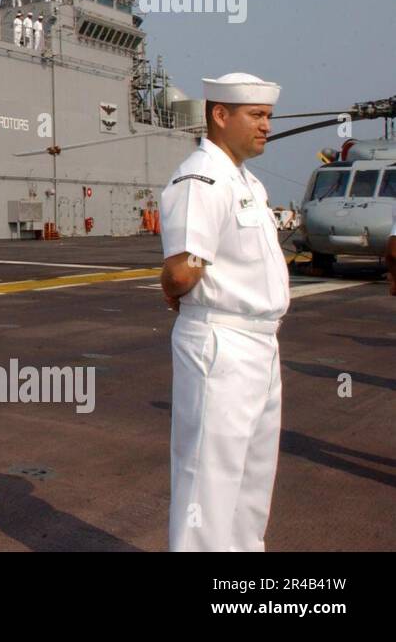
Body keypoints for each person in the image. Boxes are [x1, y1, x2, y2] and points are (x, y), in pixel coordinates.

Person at [159, 73, 288, 552]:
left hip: (259, 344)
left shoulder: (246, 182)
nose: (266, 127)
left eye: (268, 116)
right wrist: (171, 286)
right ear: (220, 115)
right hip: (222, 345)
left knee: (251, 483)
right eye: (256, 116)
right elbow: (184, 268)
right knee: (208, 482)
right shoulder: (202, 179)